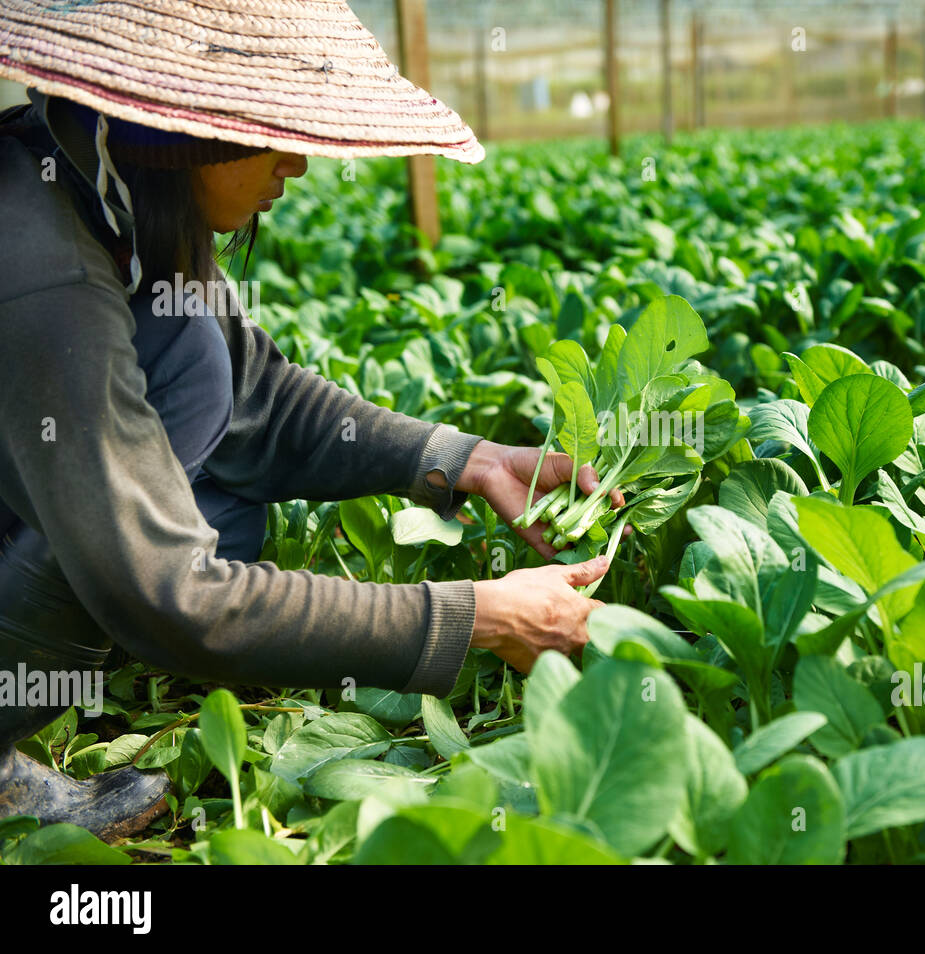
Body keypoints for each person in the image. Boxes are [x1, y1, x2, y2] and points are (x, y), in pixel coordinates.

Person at [0, 0, 615, 840]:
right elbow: (178, 600)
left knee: (219, 494)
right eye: (272, 129)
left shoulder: (94, 182)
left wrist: (462, 459)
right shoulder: (43, 267)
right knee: (160, 557)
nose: (295, 161)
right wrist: (479, 616)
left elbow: (256, 397)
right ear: (186, 131)